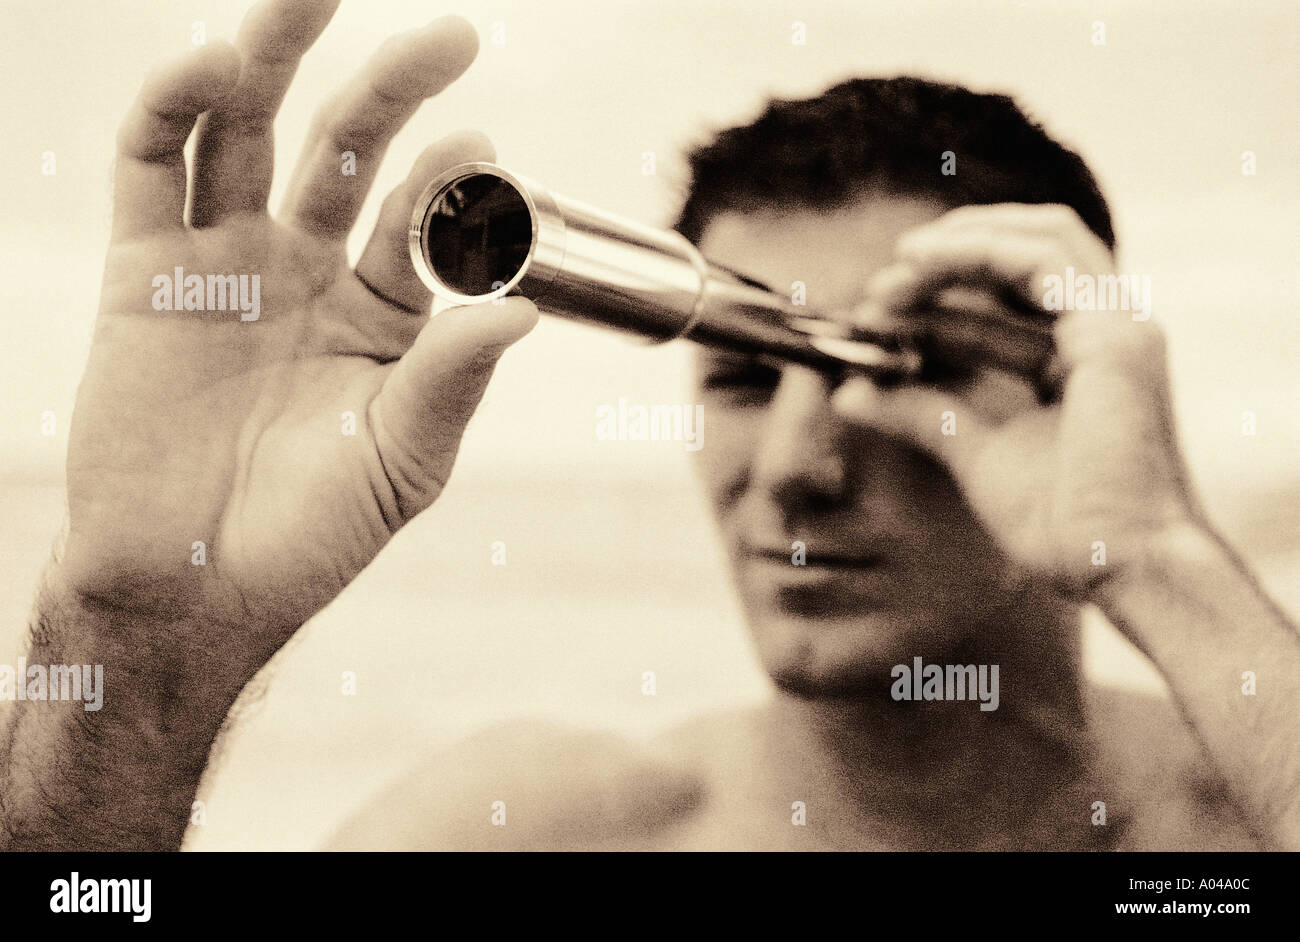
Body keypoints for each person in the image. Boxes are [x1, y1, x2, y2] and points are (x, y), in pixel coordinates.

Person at [1, 0, 1296, 852]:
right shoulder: (559, 833)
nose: (794, 467)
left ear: (1082, 395)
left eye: (909, 370)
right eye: (742, 378)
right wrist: (140, 650)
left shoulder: (1237, 816)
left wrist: (1156, 554)